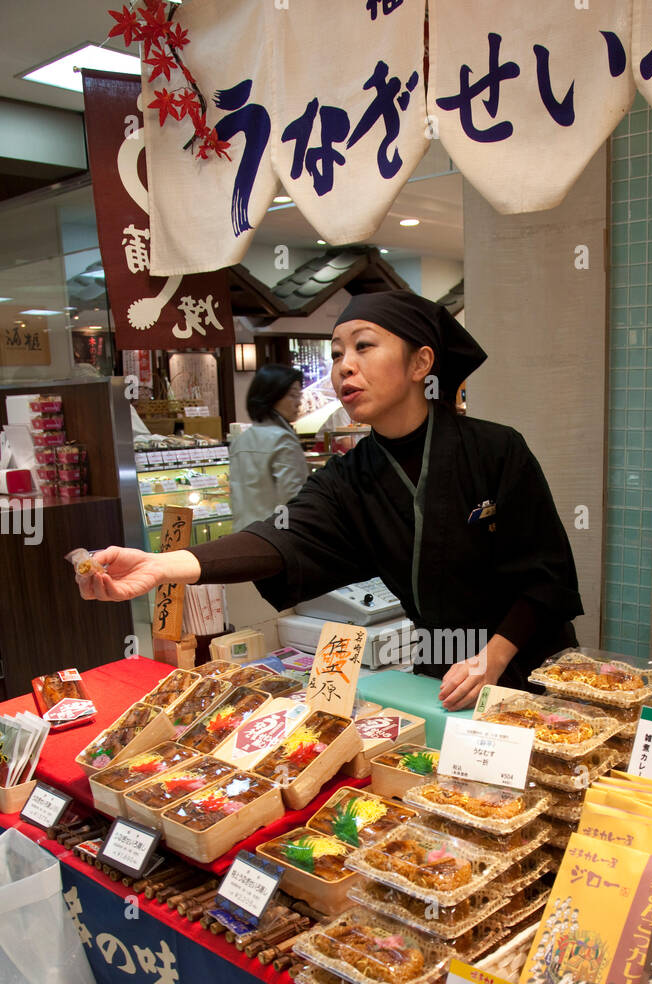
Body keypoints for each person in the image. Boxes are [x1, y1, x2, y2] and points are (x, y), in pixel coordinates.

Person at [76, 291, 583, 711]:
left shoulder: (495, 450)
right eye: (337, 353)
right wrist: (163, 564)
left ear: (420, 363)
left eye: (364, 347)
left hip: (528, 664)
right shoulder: (351, 474)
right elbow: (281, 537)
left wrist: (490, 659)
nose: (345, 367)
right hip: (443, 673)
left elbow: (546, 575)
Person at [229, 364, 309, 529]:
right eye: (293, 395)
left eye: (299, 395)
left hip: (244, 534)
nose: (299, 402)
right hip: (274, 537)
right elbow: (293, 501)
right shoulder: (283, 440)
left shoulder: (241, 439)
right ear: (272, 396)